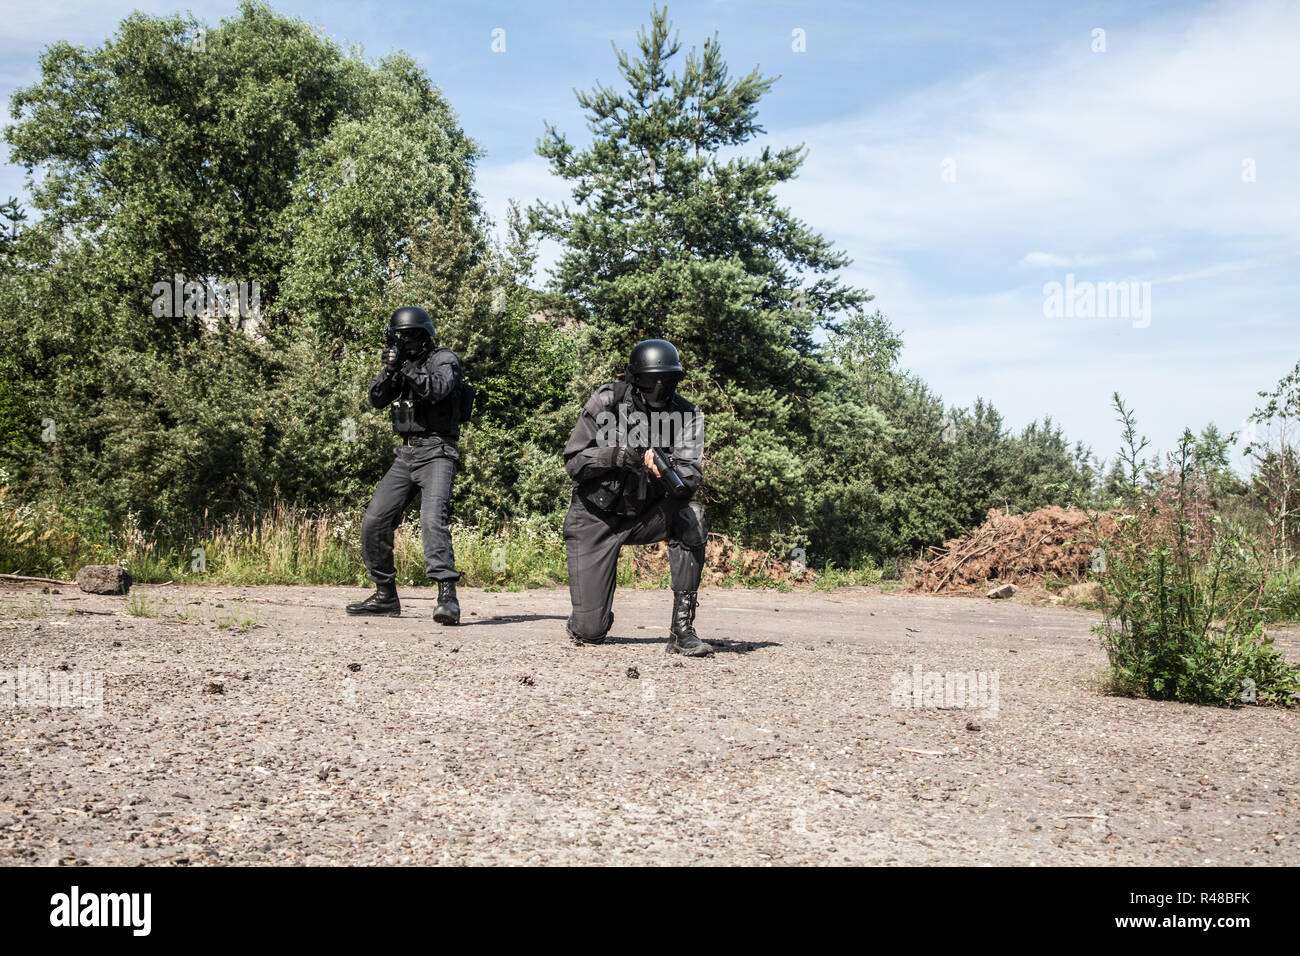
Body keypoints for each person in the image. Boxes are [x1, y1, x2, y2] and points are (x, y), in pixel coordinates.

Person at [562, 339, 712, 656]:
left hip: (646, 515)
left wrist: (665, 470)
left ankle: (682, 632)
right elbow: (574, 462)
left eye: (667, 379)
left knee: (692, 516)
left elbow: (691, 476)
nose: (659, 386)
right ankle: (591, 612)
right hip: (595, 518)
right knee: (590, 633)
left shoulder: (686, 414)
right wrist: (619, 456)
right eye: (650, 379)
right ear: (634, 377)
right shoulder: (607, 401)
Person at [345, 306, 465, 623]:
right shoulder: (401, 363)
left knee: (431, 519)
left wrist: (407, 367)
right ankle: (385, 595)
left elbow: (436, 390)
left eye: (411, 335)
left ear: (425, 335)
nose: (407, 341)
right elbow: (377, 398)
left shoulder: (444, 360)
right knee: (375, 519)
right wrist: (389, 370)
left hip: (438, 450)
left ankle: (447, 597)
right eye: (402, 336)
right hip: (406, 454)